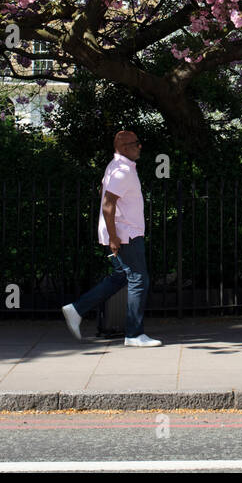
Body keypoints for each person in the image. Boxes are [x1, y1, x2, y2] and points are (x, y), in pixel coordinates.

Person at [61, 130, 162, 346]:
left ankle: (77, 309)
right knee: (139, 279)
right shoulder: (122, 171)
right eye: (137, 143)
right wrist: (114, 237)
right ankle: (134, 334)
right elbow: (108, 205)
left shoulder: (114, 167)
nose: (140, 146)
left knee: (121, 276)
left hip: (122, 233)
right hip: (126, 235)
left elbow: (103, 193)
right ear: (124, 147)